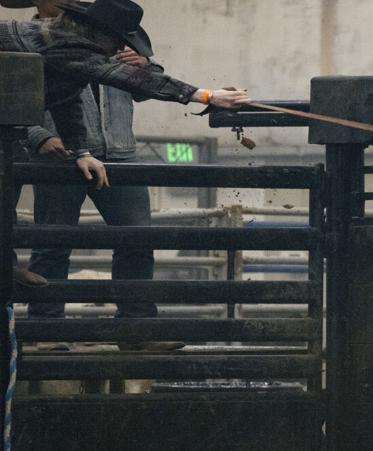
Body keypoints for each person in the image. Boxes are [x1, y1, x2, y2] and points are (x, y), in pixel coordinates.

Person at [0, 0, 250, 285]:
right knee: (18, 208)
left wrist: (80, 150)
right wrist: (206, 95)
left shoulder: (61, 43)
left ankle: (8, 272)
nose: (118, 50)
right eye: (117, 41)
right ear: (101, 34)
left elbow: (64, 100)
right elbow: (126, 78)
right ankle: (9, 275)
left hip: (101, 149)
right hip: (29, 142)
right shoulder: (72, 45)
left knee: (11, 197)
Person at [13, 0, 169, 344]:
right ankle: (46, 330)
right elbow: (11, 94)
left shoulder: (108, 35)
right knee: (53, 244)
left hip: (119, 152)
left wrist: (146, 66)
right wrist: (39, 136)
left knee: (138, 240)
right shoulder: (25, 41)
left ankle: (137, 328)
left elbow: (149, 87)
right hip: (61, 154)